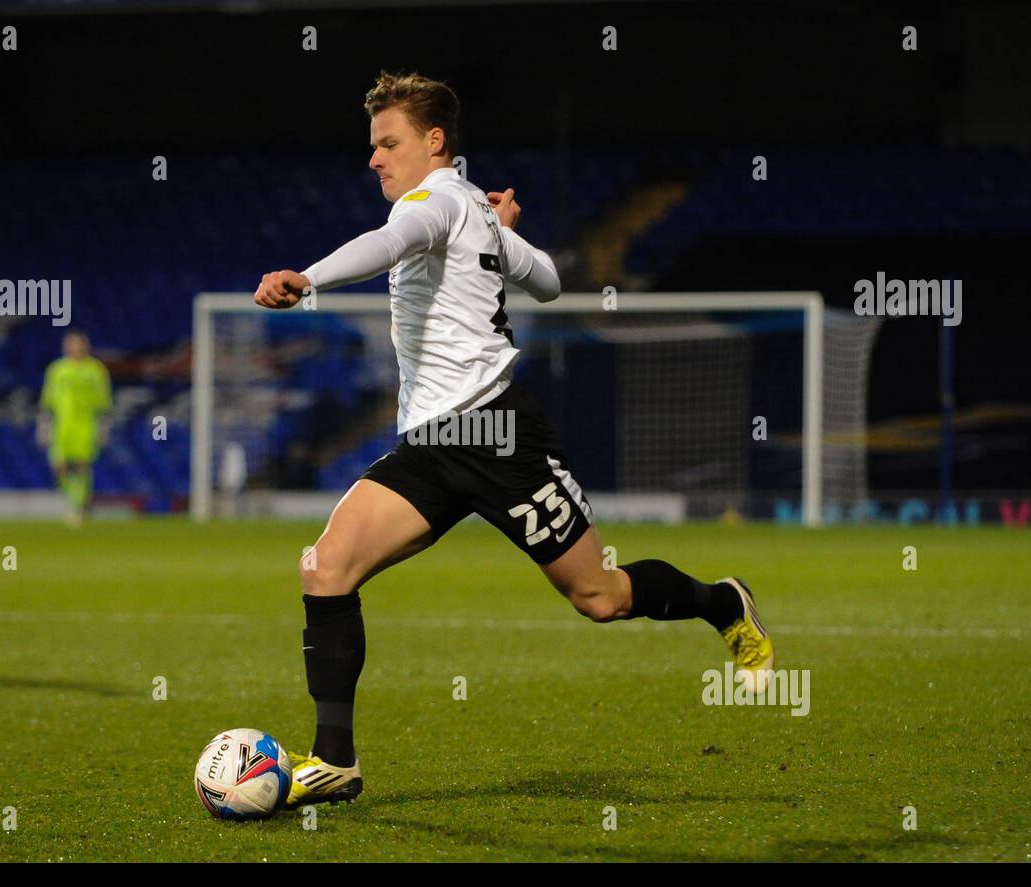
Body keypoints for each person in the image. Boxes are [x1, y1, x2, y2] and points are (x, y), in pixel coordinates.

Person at [253, 71, 775, 807]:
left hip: (499, 436)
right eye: (373, 145)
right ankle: (334, 760)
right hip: (432, 445)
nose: (375, 158)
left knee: (599, 597)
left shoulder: (432, 201)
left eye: (388, 142)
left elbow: (388, 240)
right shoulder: (474, 210)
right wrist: (506, 231)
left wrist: (308, 279)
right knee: (326, 567)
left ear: (435, 142)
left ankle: (723, 602)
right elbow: (553, 281)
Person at [38, 331, 111, 526]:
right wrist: (43, 428)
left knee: (81, 467)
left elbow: (104, 403)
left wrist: (103, 429)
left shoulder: (96, 370)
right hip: (61, 426)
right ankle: (72, 501)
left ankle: (76, 507)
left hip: (86, 426)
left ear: (85, 347)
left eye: (78, 344)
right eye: (70, 344)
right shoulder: (57, 370)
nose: (75, 348)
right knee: (58, 467)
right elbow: (47, 401)